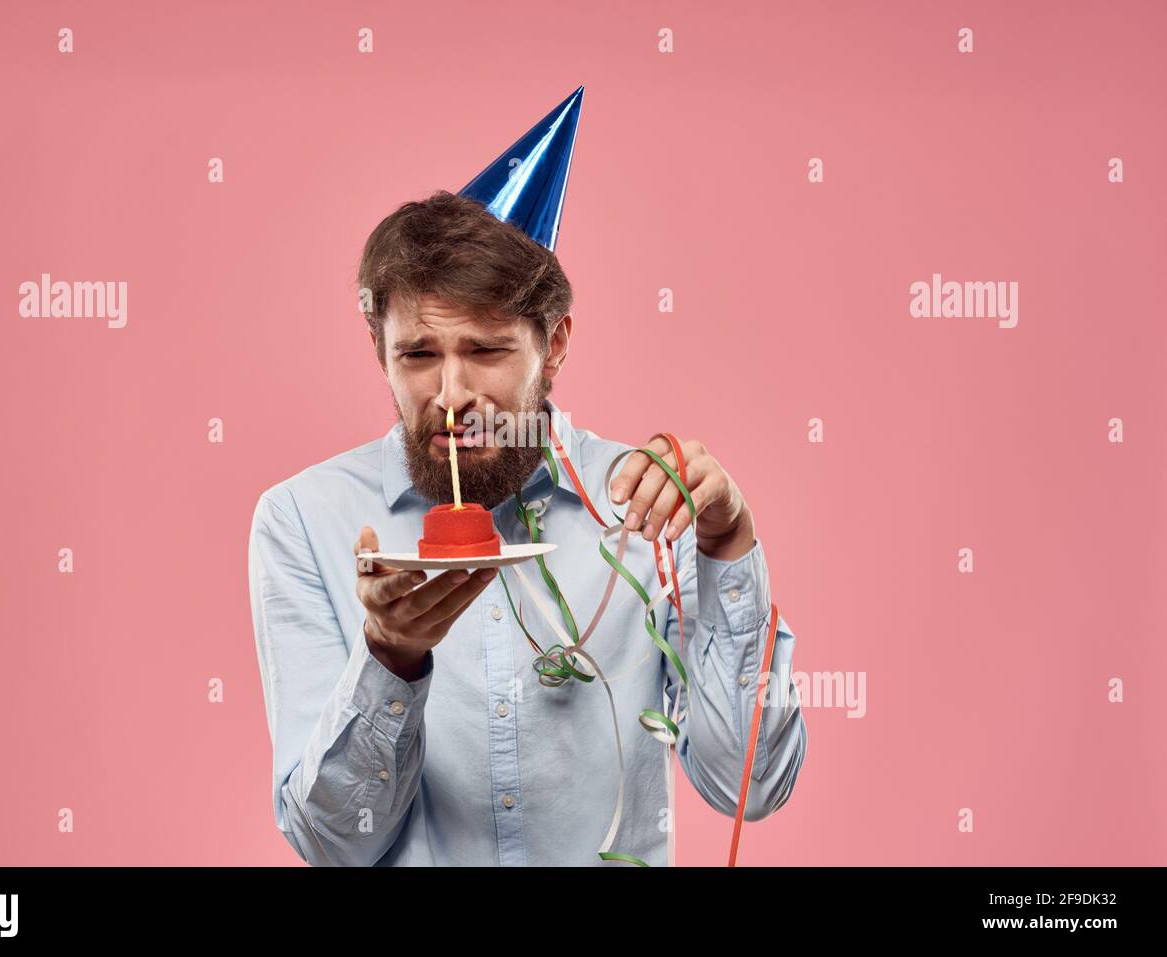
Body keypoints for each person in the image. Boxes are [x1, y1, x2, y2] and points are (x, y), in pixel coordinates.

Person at [246, 187, 808, 866]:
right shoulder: (304, 519)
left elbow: (750, 784)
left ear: (556, 342)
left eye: (486, 350)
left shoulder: (649, 503)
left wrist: (727, 543)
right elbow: (333, 842)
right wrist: (390, 659)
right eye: (418, 356)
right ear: (378, 348)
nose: (451, 396)